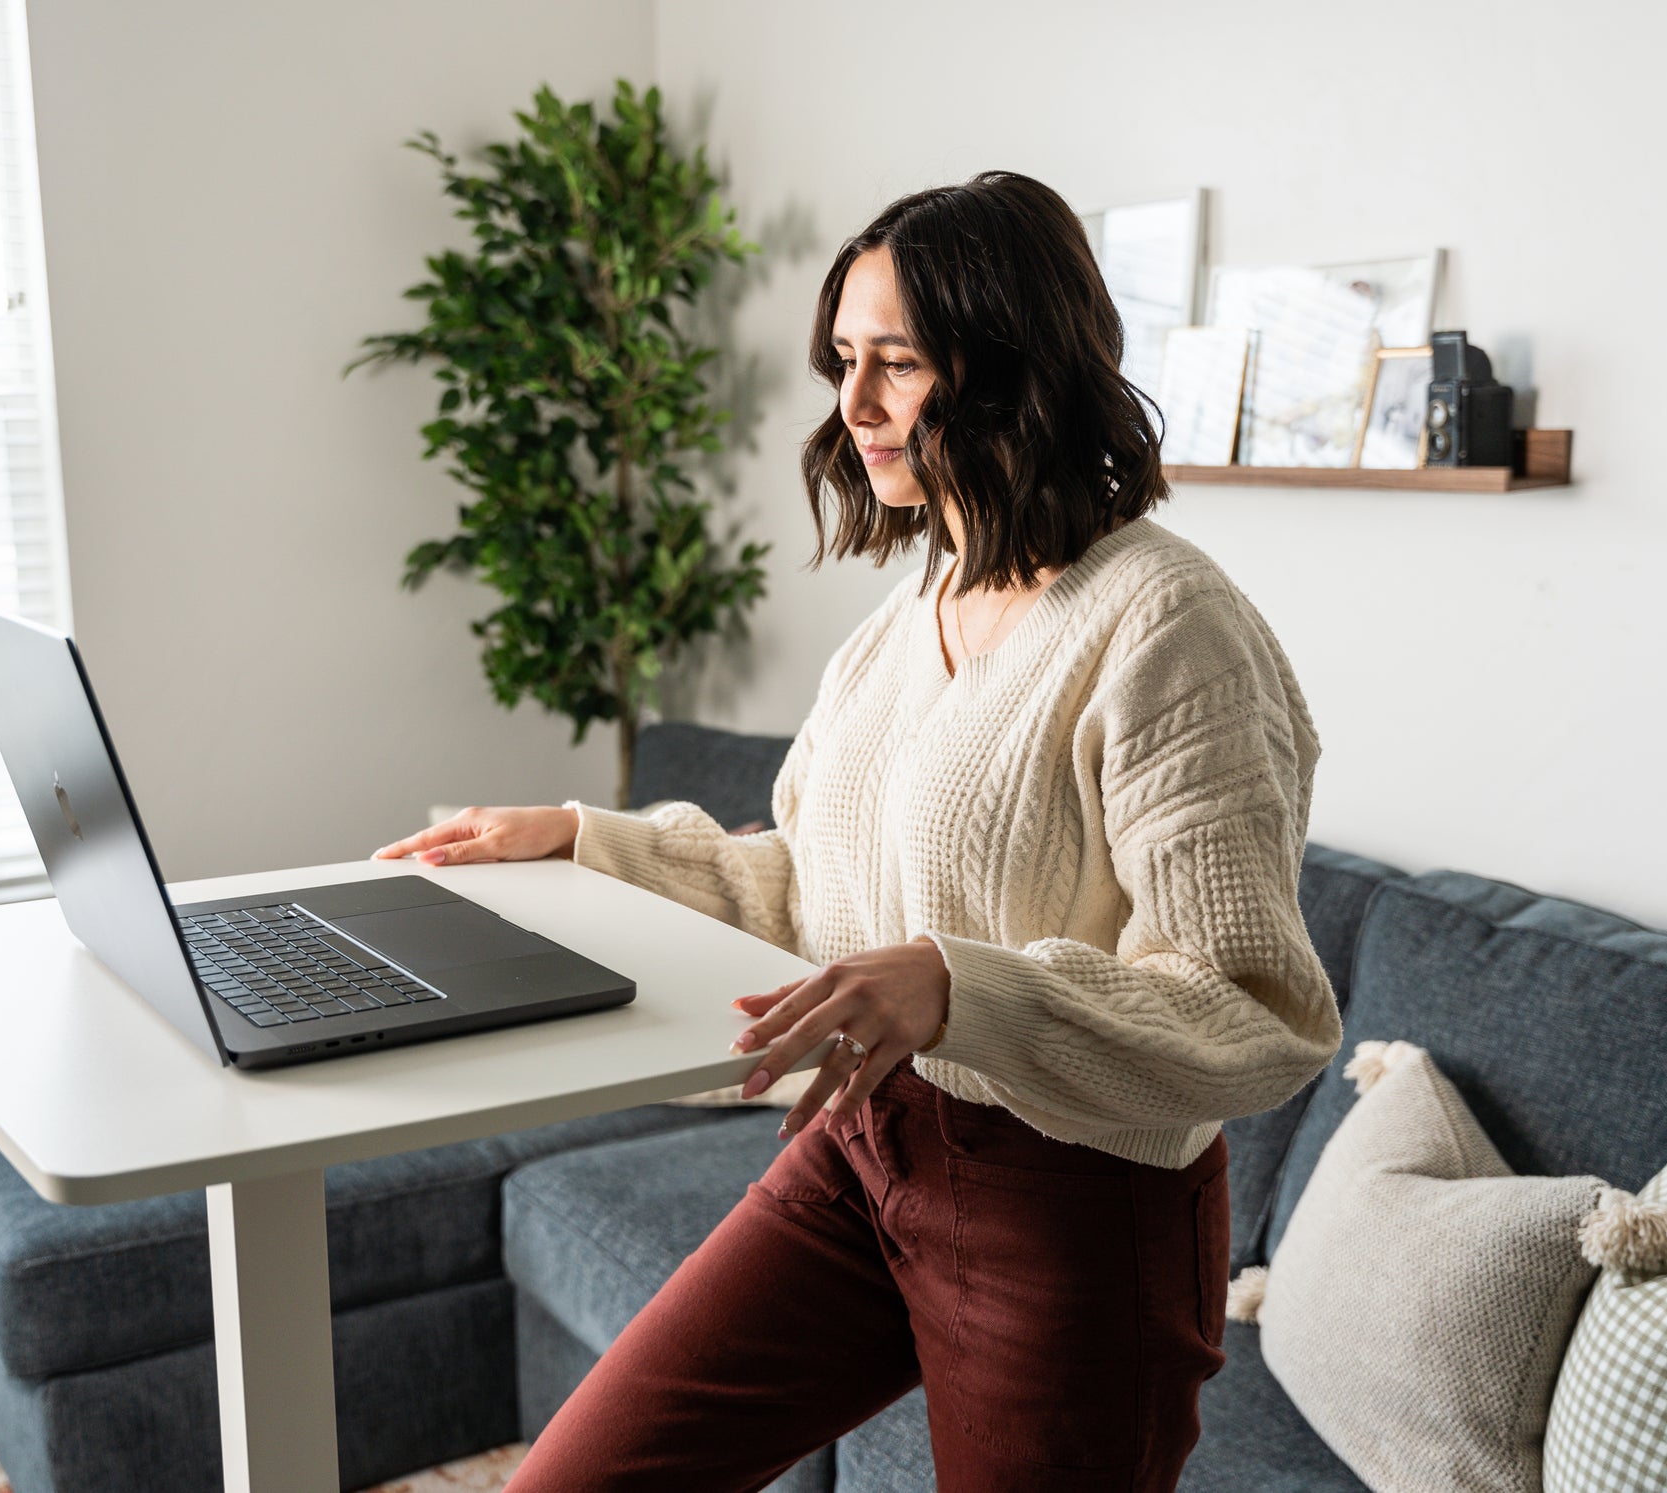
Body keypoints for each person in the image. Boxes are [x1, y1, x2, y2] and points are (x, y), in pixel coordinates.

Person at [374, 171, 1341, 1493]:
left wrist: (960, 984)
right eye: (844, 358)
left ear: (1013, 371)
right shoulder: (909, 618)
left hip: (1072, 1210)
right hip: (865, 1146)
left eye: (899, 361)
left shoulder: (1168, 627)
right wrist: (583, 838)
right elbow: (812, 888)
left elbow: (1255, 1009)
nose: (856, 404)